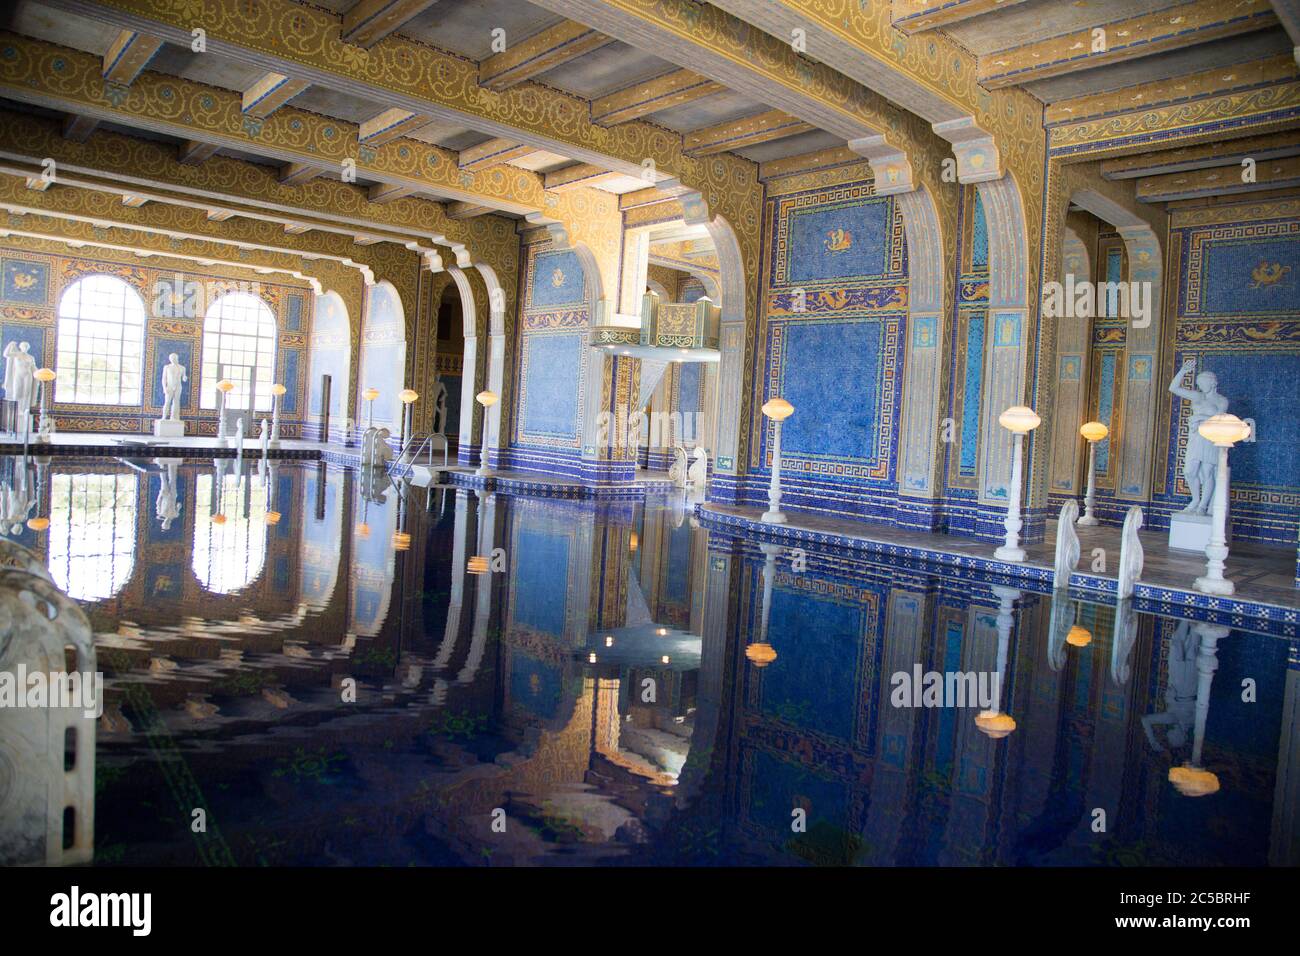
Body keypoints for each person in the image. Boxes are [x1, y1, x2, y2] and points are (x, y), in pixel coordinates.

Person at [1167, 358, 1228, 515]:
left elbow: (1220, 419)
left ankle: (1202, 505)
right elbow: (1173, 388)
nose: (1200, 386)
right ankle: (1195, 499)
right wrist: (1183, 371)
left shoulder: (1222, 400)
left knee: (1207, 472)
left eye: (1202, 383)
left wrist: (1199, 418)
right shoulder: (1197, 396)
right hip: (1195, 438)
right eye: (1199, 383)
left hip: (1211, 438)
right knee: (1189, 471)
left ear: (1212, 383)